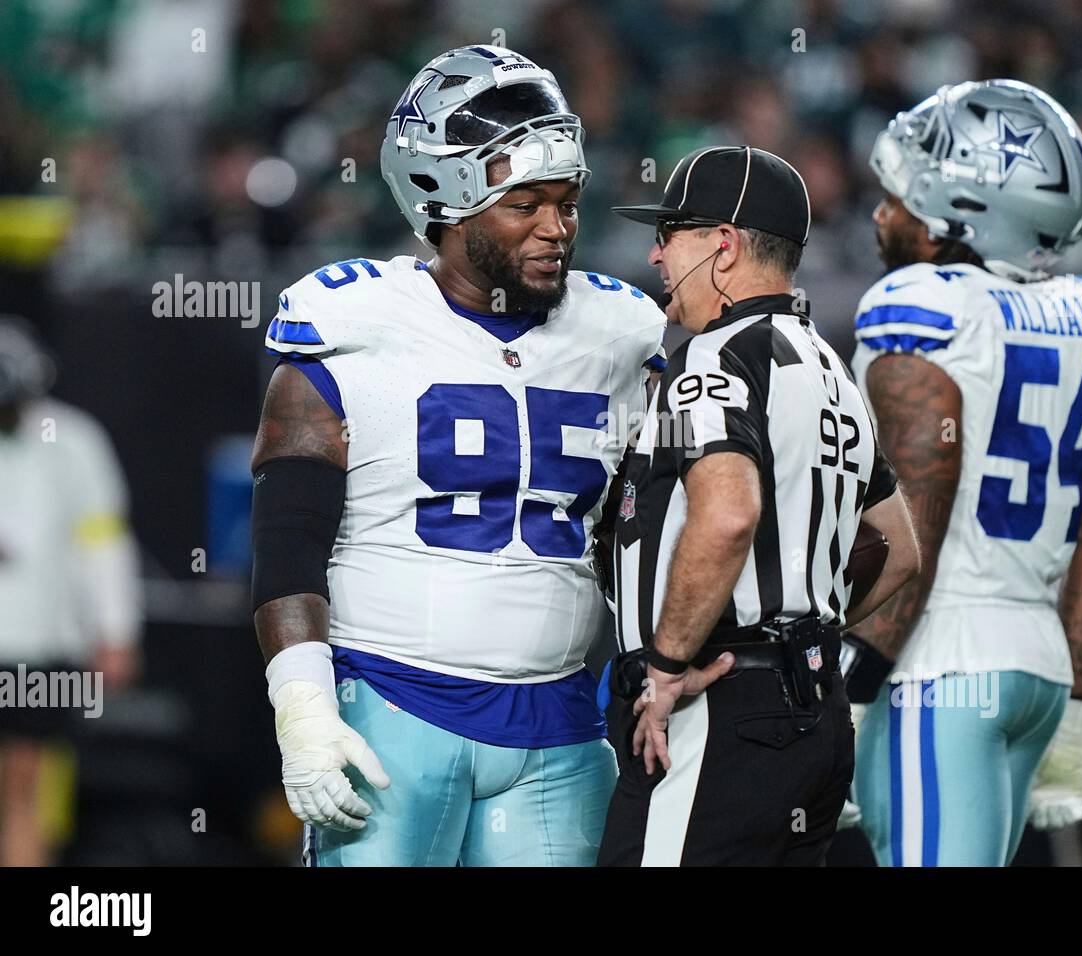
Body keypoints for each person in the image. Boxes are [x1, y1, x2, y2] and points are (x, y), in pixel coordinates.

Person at [252, 45, 665, 867]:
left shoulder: (621, 334)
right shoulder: (355, 325)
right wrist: (302, 706)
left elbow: (647, 531)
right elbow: (287, 542)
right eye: (525, 204)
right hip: (394, 705)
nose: (557, 229)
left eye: (568, 202)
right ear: (446, 202)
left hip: (560, 723)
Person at [597, 145, 920, 866]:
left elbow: (728, 514)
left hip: (718, 713)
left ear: (723, 245)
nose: (654, 256)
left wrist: (669, 663)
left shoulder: (713, 357)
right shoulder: (829, 366)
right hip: (814, 713)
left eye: (669, 233)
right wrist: (798, 637)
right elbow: (899, 547)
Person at [849, 80, 1082, 866]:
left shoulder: (922, 306)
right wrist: (1079, 717)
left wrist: (849, 684)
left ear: (960, 218)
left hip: (939, 661)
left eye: (904, 197)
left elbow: (918, 525)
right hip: (1037, 667)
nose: (884, 213)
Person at [0, 316, 142, 866]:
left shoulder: (73, 440)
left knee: (26, 791)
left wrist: (116, 633)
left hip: (39, 650)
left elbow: (103, 546)